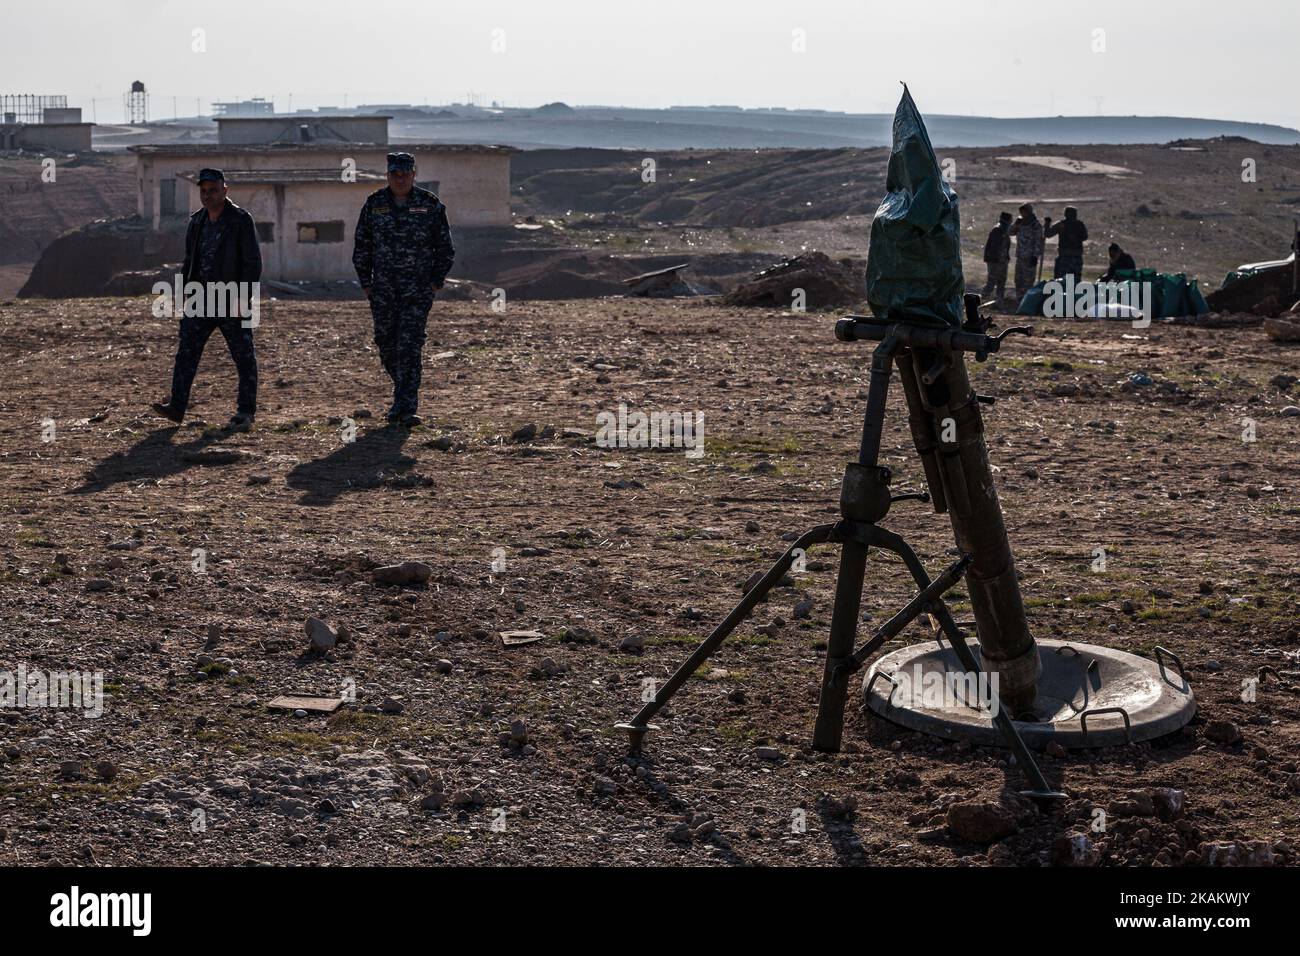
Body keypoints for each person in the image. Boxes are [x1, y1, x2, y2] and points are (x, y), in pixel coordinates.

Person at [152, 168, 261, 430]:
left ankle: (245, 412)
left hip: (231, 299)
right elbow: (189, 261)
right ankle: (177, 407)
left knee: (243, 356)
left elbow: (252, 263)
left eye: (213, 190)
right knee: (186, 354)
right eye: (204, 191)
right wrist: (186, 294)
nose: (208, 196)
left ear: (225, 190)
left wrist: (243, 298)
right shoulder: (197, 222)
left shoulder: (241, 221)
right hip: (200, 300)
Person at [352, 152, 455, 427]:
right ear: (388, 175)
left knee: (409, 345)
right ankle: (403, 394)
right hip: (383, 289)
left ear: (413, 175)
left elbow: (445, 248)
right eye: (395, 174)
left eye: (405, 174)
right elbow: (362, 245)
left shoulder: (429, 204)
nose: (400, 179)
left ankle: (407, 407)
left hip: (417, 290)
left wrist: (435, 282)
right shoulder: (375, 204)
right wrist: (366, 283)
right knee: (386, 344)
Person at [1008, 203, 1044, 300]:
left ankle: (1026, 300)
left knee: (1028, 281)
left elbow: (1038, 241)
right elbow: (1010, 232)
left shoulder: (1035, 225)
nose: (1023, 214)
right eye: (1021, 212)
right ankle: (1019, 300)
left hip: (1030, 257)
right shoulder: (1020, 223)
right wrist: (1016, 224)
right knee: (1018, 280)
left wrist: (1035, 256)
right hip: (1020, 256)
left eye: (1025, 212)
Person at [1044, 206, 1088, 281]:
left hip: (1065, 256)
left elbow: (1048, 234)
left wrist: (1047, 224)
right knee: (1074, 280)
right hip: (1075, 256)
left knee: (1061, 280)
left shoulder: (1061, 224)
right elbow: (1085, 237)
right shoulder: (1079, 224)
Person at [981, 211, 1013, 304]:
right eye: (1010, 220)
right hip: (995, 261)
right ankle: (982, 299)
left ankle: (999, 301)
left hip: (1001, 261)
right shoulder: (998, 230)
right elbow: (994, 247)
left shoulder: (1003, 230)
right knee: (991, 282)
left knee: (1001, 282)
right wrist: (996, 261)